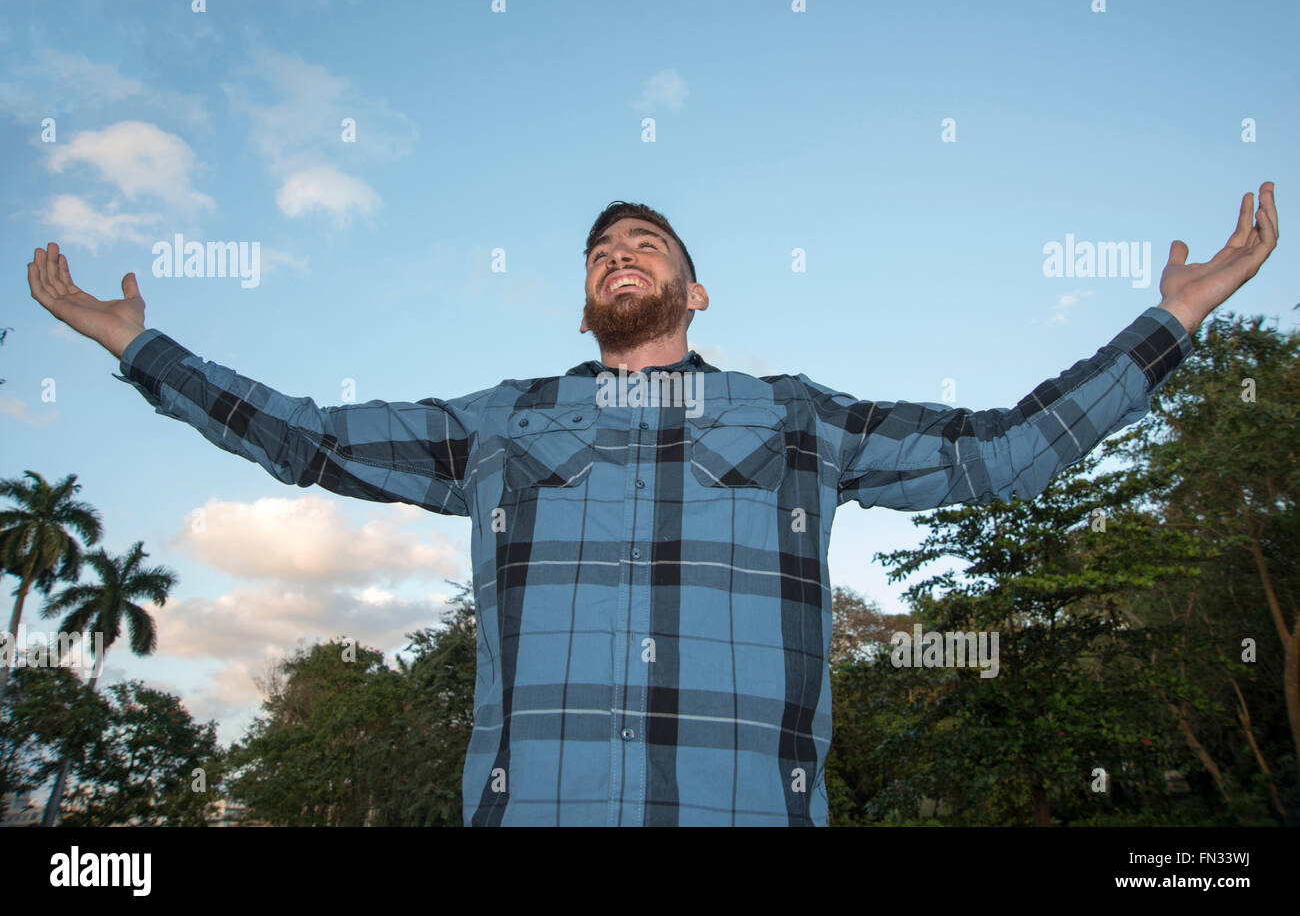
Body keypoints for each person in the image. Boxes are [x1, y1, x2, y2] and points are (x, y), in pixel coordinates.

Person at [26, 185, 1279, 825]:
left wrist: (1170, 324)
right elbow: (307, 439)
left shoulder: (794, 419)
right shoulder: (504, 426)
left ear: (696, 289)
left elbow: (994, 456)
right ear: (587, 300)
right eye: (599, 249)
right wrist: (142, 351)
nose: (618, 251)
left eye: (645, 240)